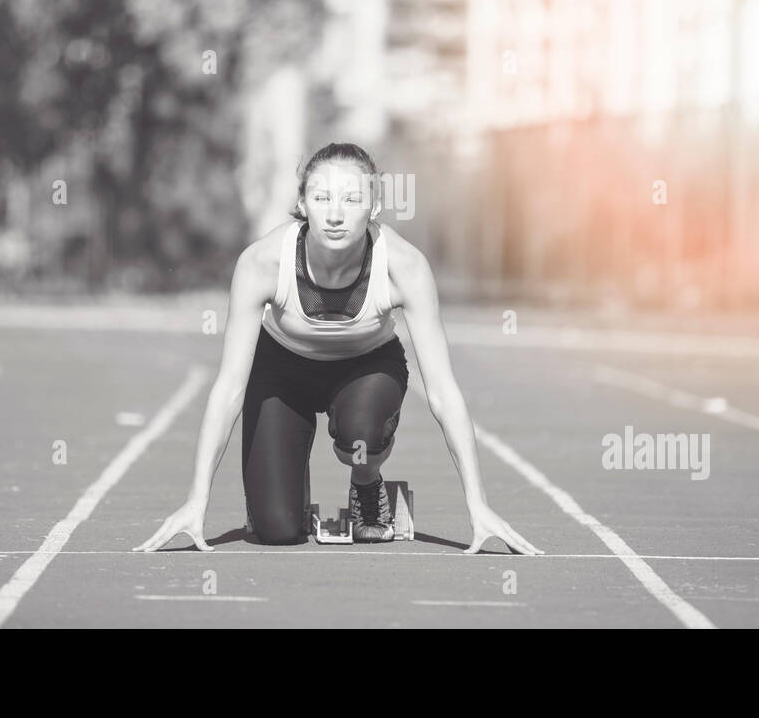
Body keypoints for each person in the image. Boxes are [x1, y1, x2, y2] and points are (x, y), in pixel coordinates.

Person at [135, 142, 542, 555]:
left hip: (366, 369)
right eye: (321, 197)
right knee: (277, 530)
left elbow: (442, 391)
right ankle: (287, 493)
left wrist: (479, 505)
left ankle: (367, 485)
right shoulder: (262, 263)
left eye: (352, 199)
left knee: (360, 435)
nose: (334, 213)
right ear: (301, 202)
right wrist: (196, 501)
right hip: (281, 372)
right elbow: (228, 389)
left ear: (374, 205)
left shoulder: (404, 266)